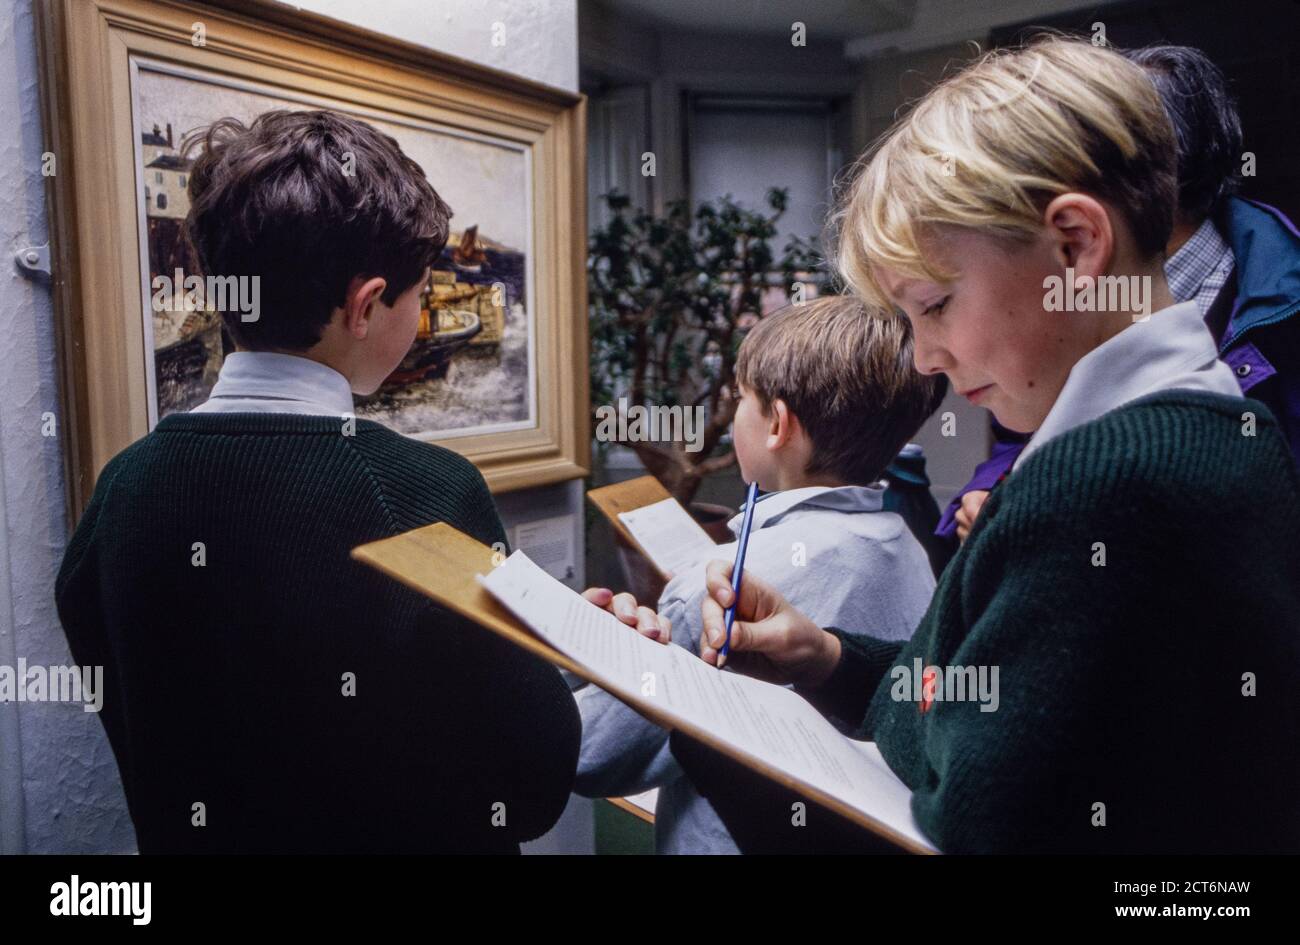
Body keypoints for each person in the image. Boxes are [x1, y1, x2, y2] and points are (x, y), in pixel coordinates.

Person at [596, 36, 1300, 853]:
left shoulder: (1101, 478)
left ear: (1075, 246)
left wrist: (708, 731)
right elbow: (983, 697)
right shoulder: (1218, 423)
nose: (925, 357)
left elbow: (968, 826)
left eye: (933, 305)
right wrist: (824, 657)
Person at [55, 110, 580, 853]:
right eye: (418, 295)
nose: (424, 311)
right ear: (365, 306)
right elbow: (536, 780)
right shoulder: (428, 491)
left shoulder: (122, 489)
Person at [575, 296, 942, 853]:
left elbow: (588, 754)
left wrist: (586, 650)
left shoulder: (726, 582)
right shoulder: (904, 545)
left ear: (777, 423)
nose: (732, 408)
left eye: (740, 397)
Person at [945, 43, 1300, 542]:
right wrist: (996, 492)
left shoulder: (1283, 303)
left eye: (1066, 149)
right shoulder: (1069, 284)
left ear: (1157, 163)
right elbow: (1020, 432)